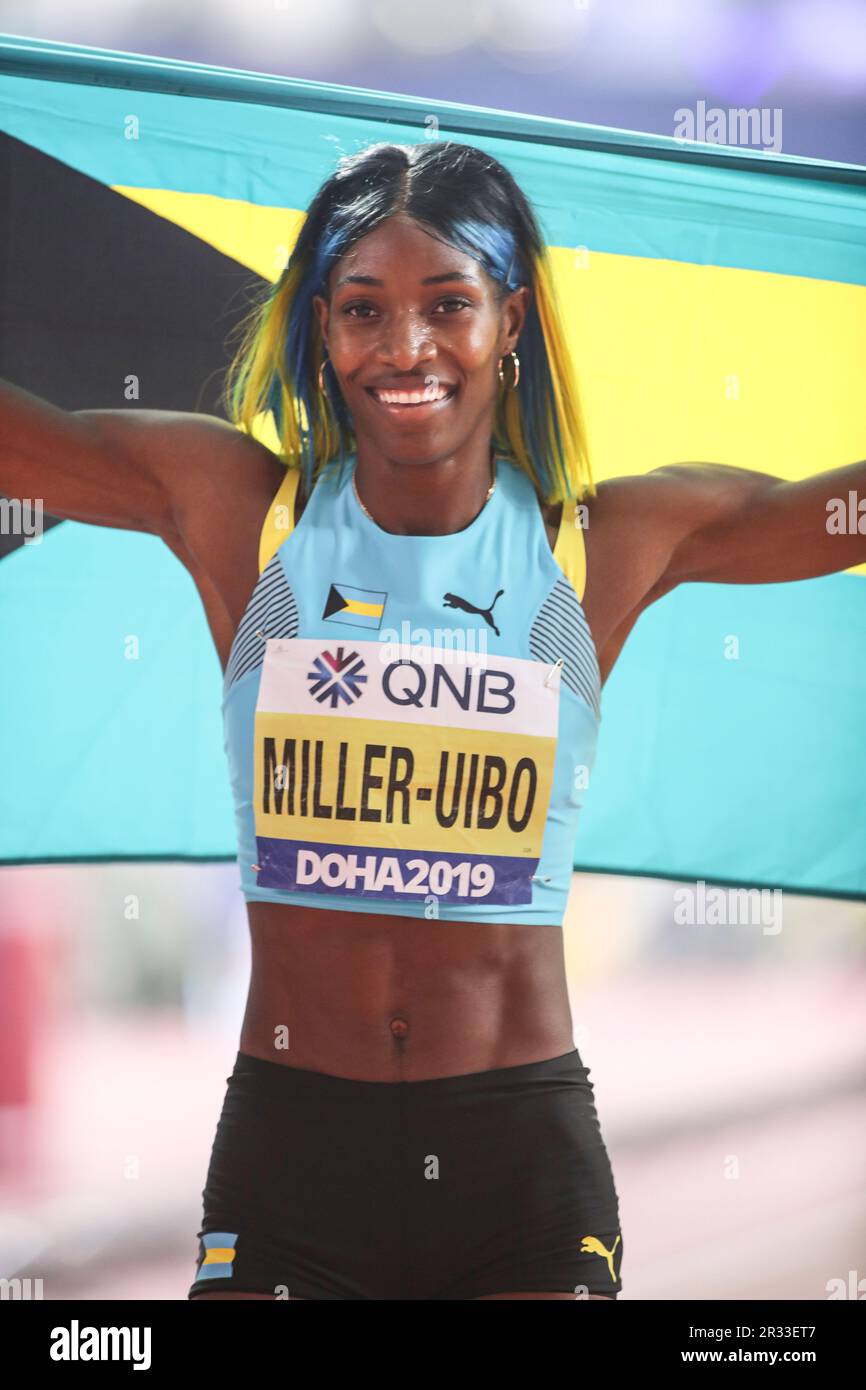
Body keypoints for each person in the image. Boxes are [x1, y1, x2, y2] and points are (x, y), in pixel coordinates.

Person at [2, 140, 863, 1301]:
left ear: (510, 319)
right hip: (290, 1148)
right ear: (320, 325)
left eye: (446, 305)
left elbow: (833, 519)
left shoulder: (603, 544)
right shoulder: (239, 515)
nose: (404, 348)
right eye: (362, 310)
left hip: (517, 1160)